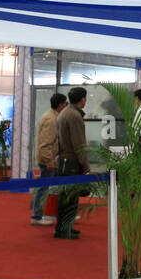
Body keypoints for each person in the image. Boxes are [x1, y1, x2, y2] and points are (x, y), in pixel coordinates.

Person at [54, 86, 89, 240]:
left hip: (63, 160)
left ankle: (64, 227)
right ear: (83, 99)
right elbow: (79, 143)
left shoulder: (64, 113)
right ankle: (64, 229)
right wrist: (85, 164)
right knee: (70, 198)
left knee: (65, 197)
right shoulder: (75, 116)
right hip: (72, 162)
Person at [30, 93, 67, 225]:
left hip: (52, 159)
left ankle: (54, 214)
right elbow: (45, 143)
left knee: (50, 187)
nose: (66, 106)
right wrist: (49, 161)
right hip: (48, 160)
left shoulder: (53, 116)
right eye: (65, 104)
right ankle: (36, 216)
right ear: (60, 105)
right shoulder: (51, 120)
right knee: (43, 188)